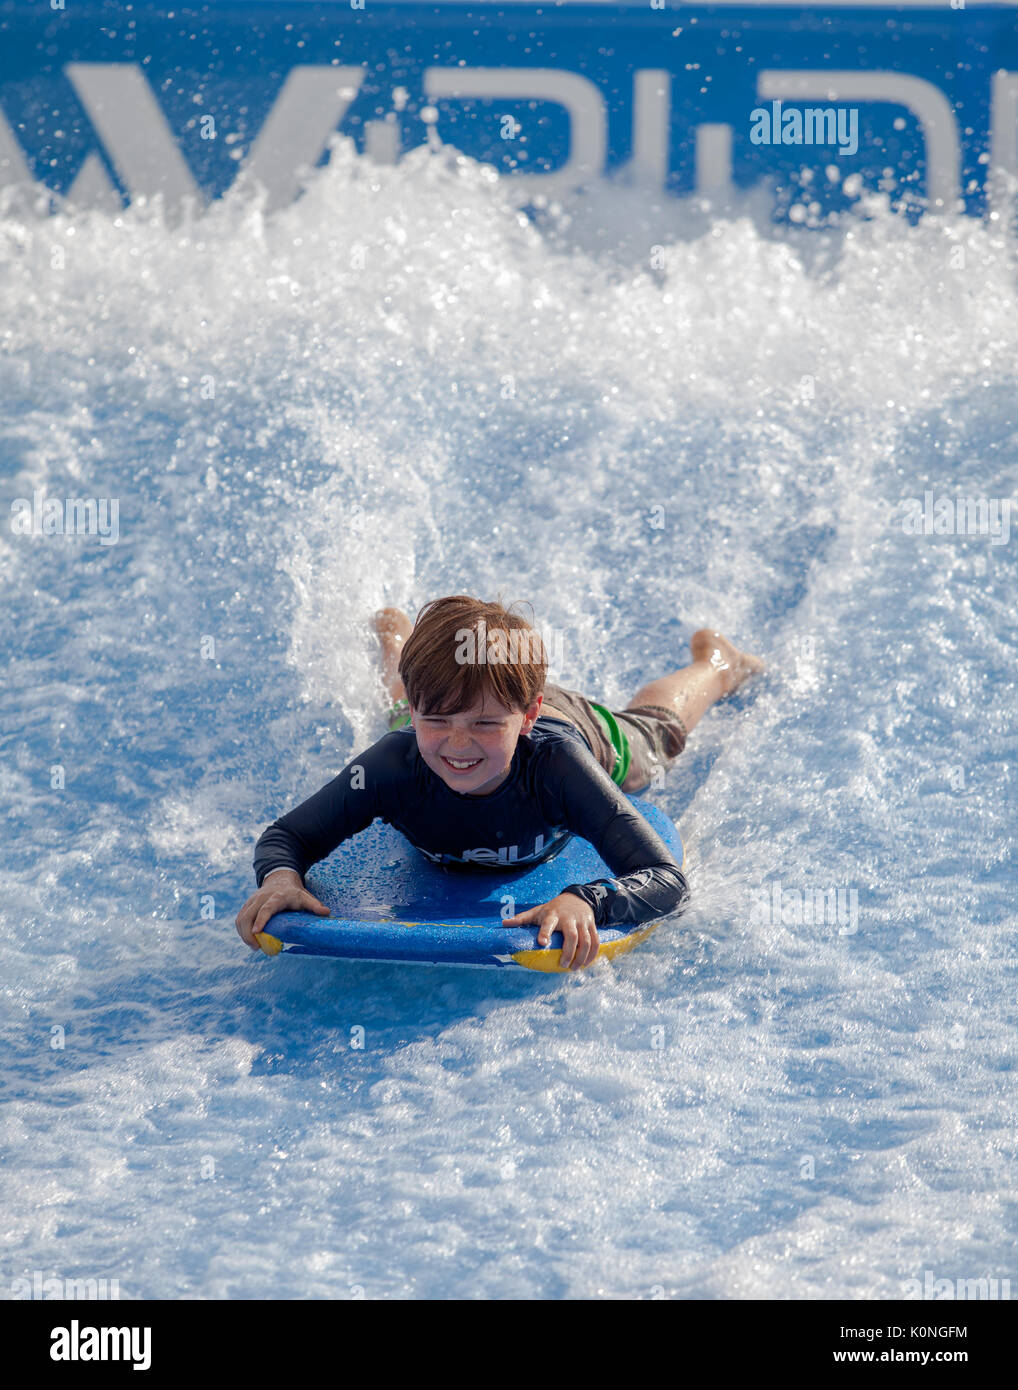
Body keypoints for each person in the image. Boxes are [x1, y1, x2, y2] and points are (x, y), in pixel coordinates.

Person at [235, 595, 763, 970]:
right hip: (454, 702)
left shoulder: (559, 767)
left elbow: (666, 878)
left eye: (485, 727)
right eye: (437, 721)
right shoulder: (394, 764)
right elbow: (287, 838)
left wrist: (588, 900)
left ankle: (716, 663)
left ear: (526, 715)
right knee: (398, 711)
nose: (459, 746)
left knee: (654, 738)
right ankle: (397, 644)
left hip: (578, 726)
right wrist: (281, 878)